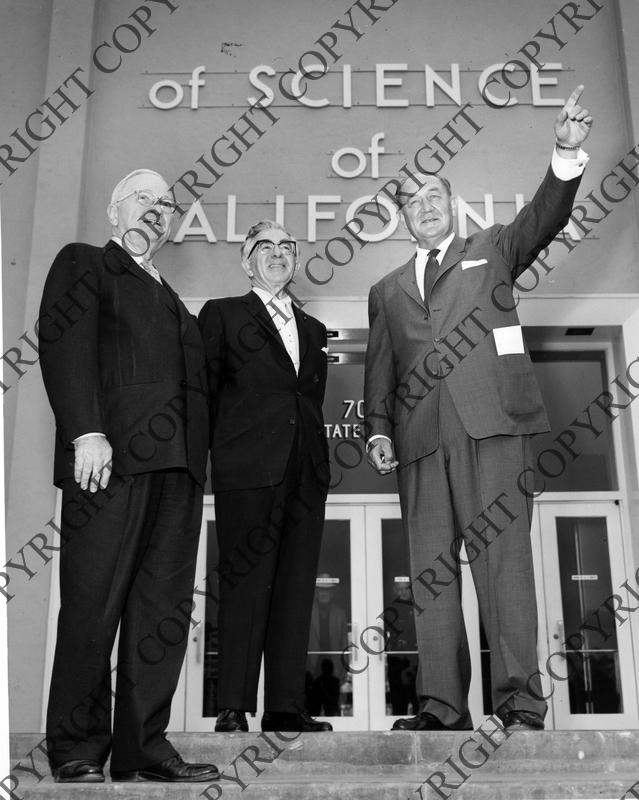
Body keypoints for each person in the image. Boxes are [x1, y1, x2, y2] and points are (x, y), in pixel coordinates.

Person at [364, 86, 593, 732]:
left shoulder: (492, 249)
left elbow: (541, 220)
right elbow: (380, 367)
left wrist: (564, 156)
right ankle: (440, 707)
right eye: (414, 202)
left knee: (504, 566)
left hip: (491, 431)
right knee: (430, 577)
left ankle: (520, 701)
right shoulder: (384, 290)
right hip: (420, 443)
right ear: (403, 218)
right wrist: (377, 430)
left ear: (452, 208)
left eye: (435, 197)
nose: (425, 208)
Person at [39, 169, 219, 783]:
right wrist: (86, 431)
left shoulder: (170, 295)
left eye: (166, 204)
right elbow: (64, 345)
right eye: (144, 198)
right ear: (115, 213)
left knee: (161, 614)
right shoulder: (85, 262)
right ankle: (76, 745)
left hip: (178, 470)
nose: (156, 209)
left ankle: (144, 746)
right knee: (93, 605)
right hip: (110, 461)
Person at [198, 220, 333, 734]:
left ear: (295, 261)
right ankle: (232, 704)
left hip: (305, 474)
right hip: (247, 471)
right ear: (246, 260)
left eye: (286, 247)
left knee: (296, 587)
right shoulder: (223, 315)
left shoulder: (314, 329)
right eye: (264, 246)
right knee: (246, 585)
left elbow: (307, 401)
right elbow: (204, 395)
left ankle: (283, 705)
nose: (277, 254)